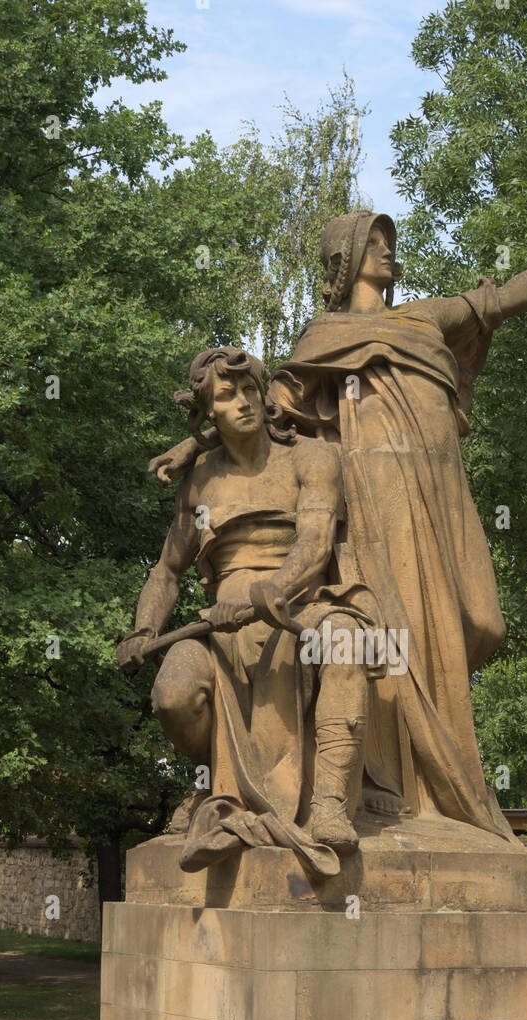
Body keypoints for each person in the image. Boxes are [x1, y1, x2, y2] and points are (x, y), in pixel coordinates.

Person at [150, 203, 527, 841]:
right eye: (371, 241)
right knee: (387, 635)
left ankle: (425, 778)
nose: (385, 250)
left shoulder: (423, 316)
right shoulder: (321, 340)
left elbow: (509, 295)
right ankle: (386, 787)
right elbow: (258, 418)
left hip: (439, 495)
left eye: (387, 240)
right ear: (345, 259)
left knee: (481, 622)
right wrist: (194, 446)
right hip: (369, 508)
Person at [117, 347, 383, 877]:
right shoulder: (199, 484)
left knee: (345, 641)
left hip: (302, 605)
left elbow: (314, 540)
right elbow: (168, 572)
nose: (242, 402)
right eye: (225, 395)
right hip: (220, 622)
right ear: (207, 414)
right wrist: (143, 629)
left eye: (248, 390)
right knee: (172, 695)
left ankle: (329, 803)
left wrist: (274, 589)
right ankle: (218, 787)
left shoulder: (311, 458)